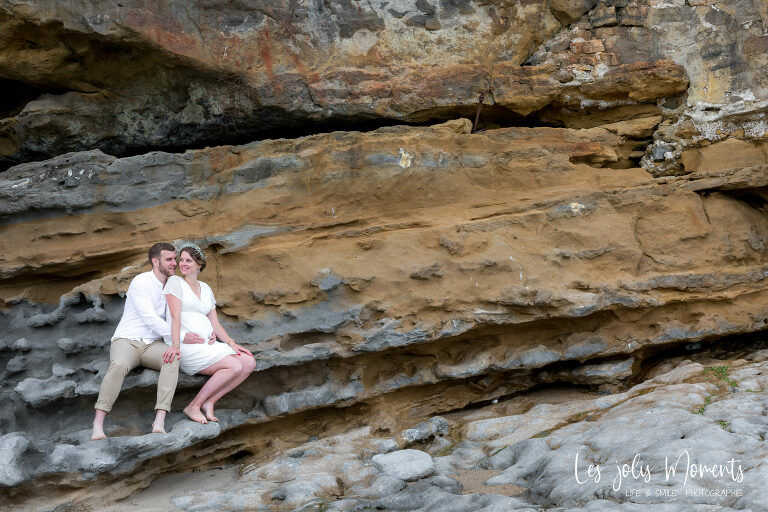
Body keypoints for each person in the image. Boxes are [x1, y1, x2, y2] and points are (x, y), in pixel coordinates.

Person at [91, 243, 211, 440]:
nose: (175, 263)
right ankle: (98, 425)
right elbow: (151, 319)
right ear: (155, 262)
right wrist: (180, 337)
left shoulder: (174, 284)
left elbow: (184, 314)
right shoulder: (141, 282)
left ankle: (159, 421)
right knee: (119, 364)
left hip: (153, 345)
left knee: (172, 359)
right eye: (169, 259)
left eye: (175, 258)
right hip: (127, 340)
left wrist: (207, 334)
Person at [164, 243, 256, 424]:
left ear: (199, 264)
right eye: (181, 260)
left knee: (248, 362)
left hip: (209, 345)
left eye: (188, 260)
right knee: (234, 366)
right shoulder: (175, 282)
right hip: (187, 346)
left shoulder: (206, 288)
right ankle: (193, 405)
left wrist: (231, 343)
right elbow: (174, 317)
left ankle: (210, 401)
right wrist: (176, 344)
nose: (183, 264)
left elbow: (215, 323)